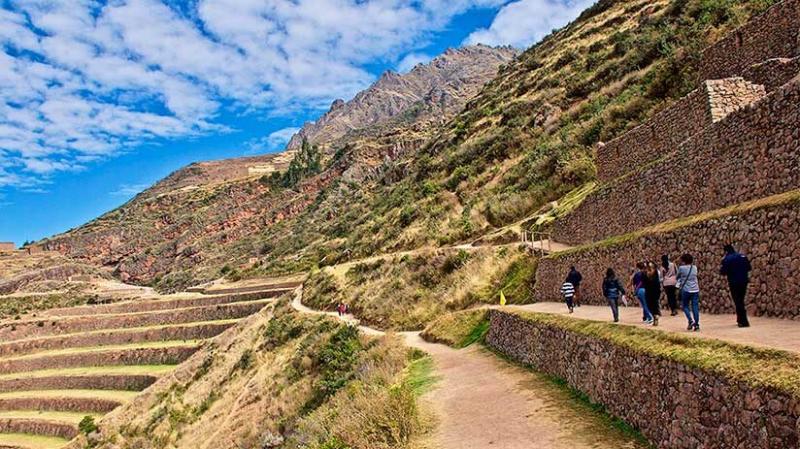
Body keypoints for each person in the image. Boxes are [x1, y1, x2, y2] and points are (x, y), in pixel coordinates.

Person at [720, 244, 752, 328]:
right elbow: (749, 268)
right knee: (741, 300)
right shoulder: (742, 256)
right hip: (744, 281)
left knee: (738, 301)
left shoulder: (727, 259)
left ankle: (743, 321)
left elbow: (723, 272)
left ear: (726, 251)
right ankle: (740, 319)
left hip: (734, 282)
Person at [677, 253, 700, 331]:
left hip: (686, 290)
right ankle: (696, 324)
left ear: (683, 260)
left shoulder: (681, 268)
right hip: (695, 289)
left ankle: (690, 320)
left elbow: (677, 277)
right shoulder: (694, 267)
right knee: (695, 307)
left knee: (685, 306)